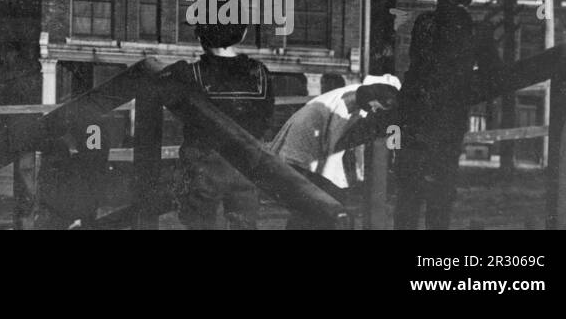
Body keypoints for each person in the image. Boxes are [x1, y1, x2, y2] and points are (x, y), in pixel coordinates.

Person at [394, 0, 501, 230]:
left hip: (414, 125)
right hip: (448, 129)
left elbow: (414, 73)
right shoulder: (479, 31)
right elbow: (494, 78)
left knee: (407, 202)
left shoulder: (423, 24)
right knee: (439, 203)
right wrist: (462, 87)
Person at [169, 22, 275, 229]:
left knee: (199, 223)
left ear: (199, 36)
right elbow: (266, 117)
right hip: (247, 162)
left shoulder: (189, 73)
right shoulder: (260, 72)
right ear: (242, 34)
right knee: (244, 223)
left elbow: (180, 110)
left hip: (204, 163)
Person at [270, 75, 400, 228]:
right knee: (319, 202)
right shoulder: (348, 106)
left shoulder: (360, 96)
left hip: (310, 146)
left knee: (312, 205)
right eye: (377, 107)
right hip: (305, 147)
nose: (375, 110)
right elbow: (332, 150)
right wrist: (340, 182)